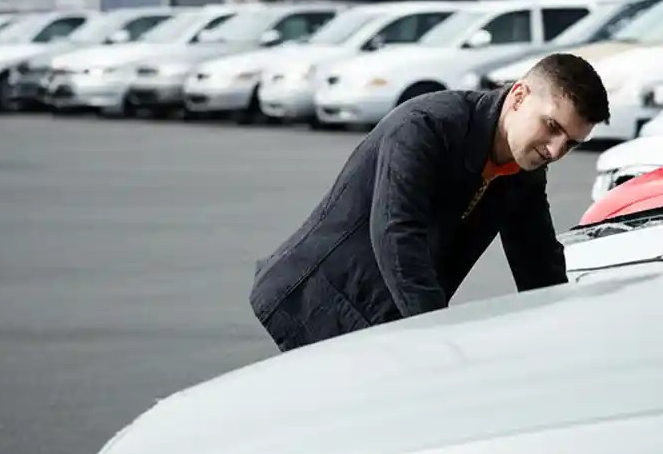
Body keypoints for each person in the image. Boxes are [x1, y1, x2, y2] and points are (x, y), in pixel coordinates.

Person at [249, 53, 610, 351]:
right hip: (317, 297)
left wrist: (565, 337)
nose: (555, 150)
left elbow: (538, 260)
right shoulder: (426, 126)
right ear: (518, 97)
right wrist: (439, 336)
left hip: (384, 316)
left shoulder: (523, 169)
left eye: (571, 143)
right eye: (551, 126)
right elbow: (396, 234)